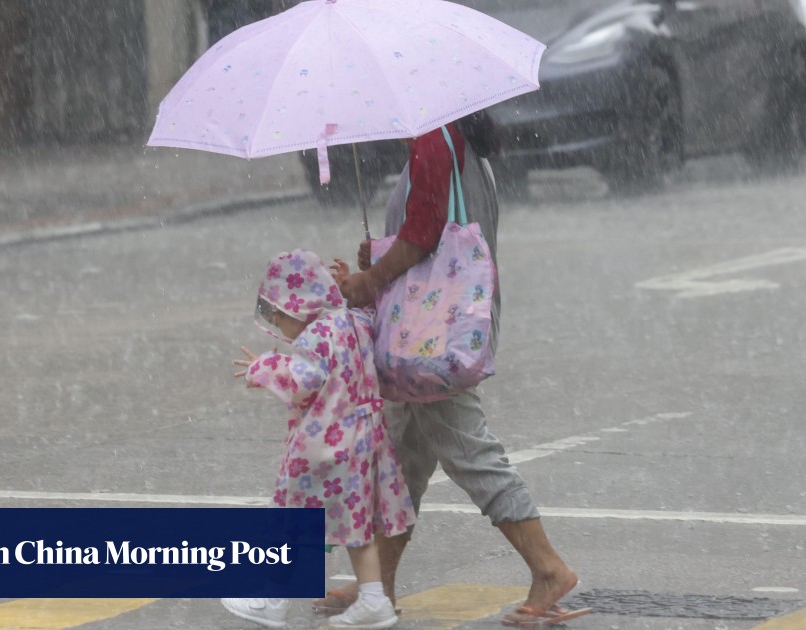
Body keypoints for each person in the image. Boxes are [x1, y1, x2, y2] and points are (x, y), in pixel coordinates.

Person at [327, 114, 590, 627]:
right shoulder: (454, 137)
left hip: (432, 334)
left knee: (466, 447)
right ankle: (377, 586)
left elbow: (425, 234)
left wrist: (373, 277)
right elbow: (428, 231)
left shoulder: (434, 135)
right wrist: (382, 252)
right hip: (436, 323)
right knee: (403, 455)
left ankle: (549, 567)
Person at [224, 249, 415, 629]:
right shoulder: (354, 322)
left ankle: (271, 600)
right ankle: (374, 599)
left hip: (325, 446)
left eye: (279, 318)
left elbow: (302, 382)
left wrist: (263, 368)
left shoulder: (315, 337)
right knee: (356, 523)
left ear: (299, 307)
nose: (279, 328)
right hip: (363, 441)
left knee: (294, 521)